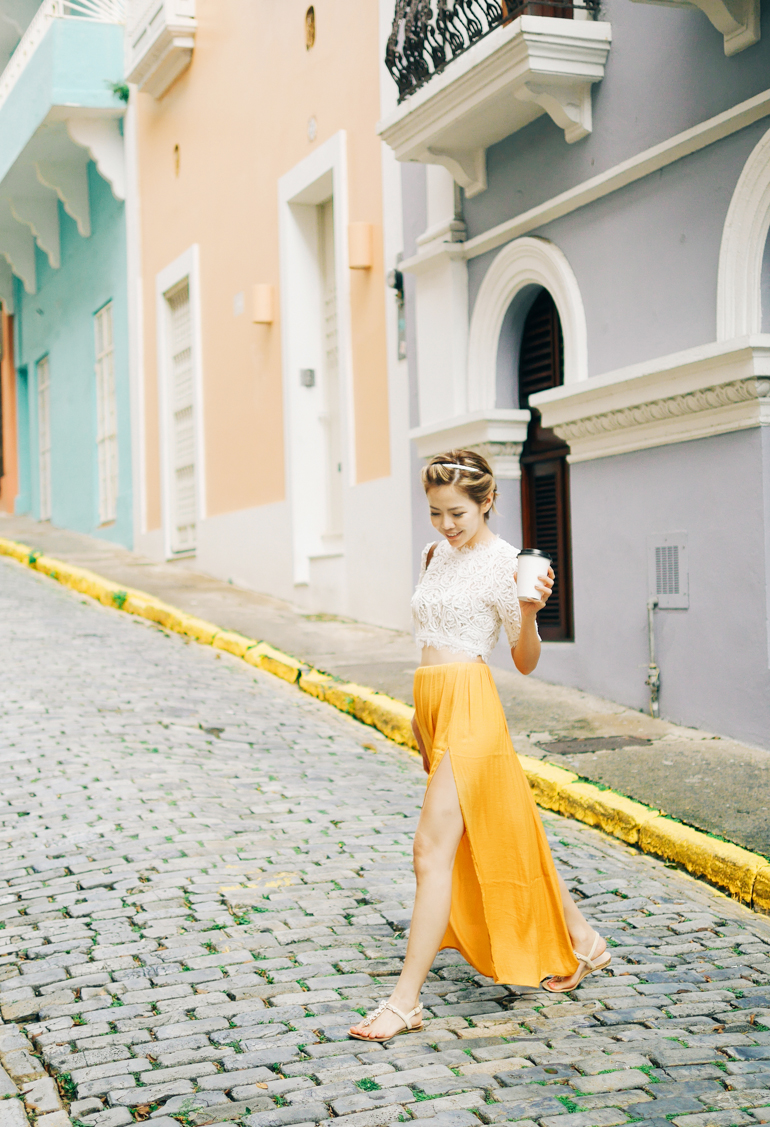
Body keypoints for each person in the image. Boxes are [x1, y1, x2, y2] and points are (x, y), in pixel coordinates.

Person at [349, 449, 608, 1043]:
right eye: (436, 512)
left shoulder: (504, 563)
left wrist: (529, 610)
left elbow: (524, 662)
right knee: (510, 825)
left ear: (487, 501)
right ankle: (584, 940)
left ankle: (404, 1001)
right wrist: (421, 718)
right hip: (435, 702)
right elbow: (427, 636)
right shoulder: (433, 553)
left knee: (429, 851)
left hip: (472, 702)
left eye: (458, 513)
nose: (446, 525)